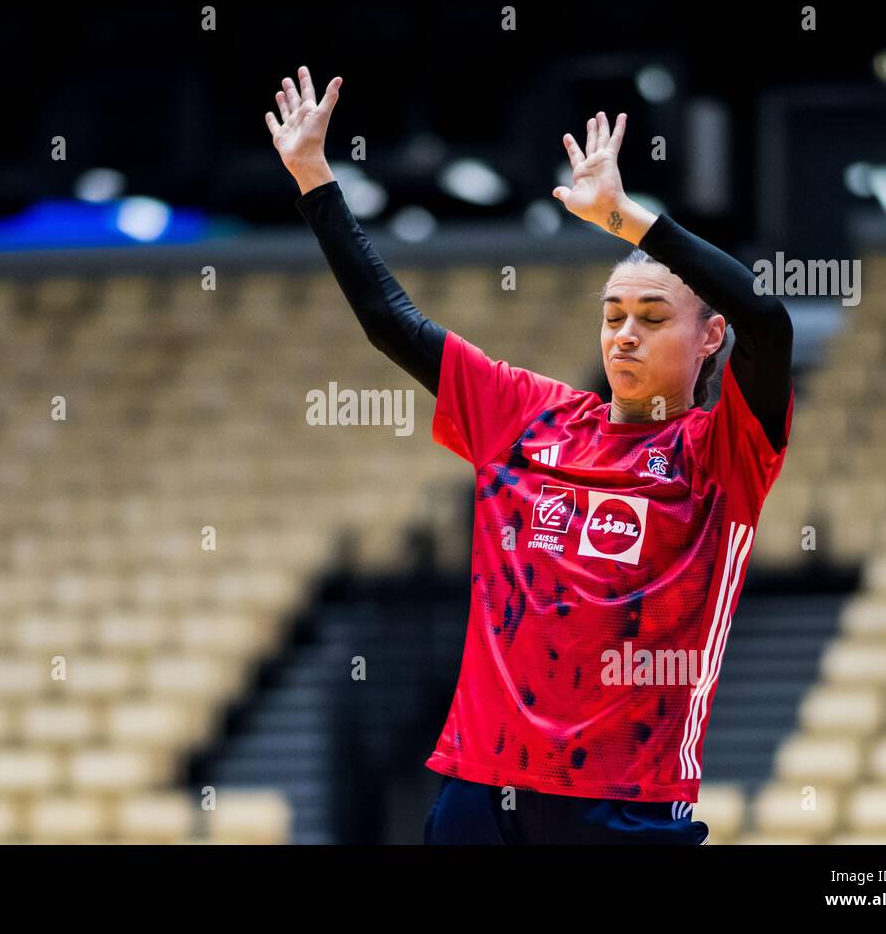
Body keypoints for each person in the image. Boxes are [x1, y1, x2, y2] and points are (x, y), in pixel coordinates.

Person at [266, 66, 793, 844]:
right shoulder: (526, 415)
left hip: (627, 796)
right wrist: (315, 179)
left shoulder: (722, 453)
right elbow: (391, 322)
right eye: (613, 315)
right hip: (482, 788)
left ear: (708, 338)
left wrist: (630, 221)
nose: (624, 333)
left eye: (653, 316)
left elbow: (767, 316)